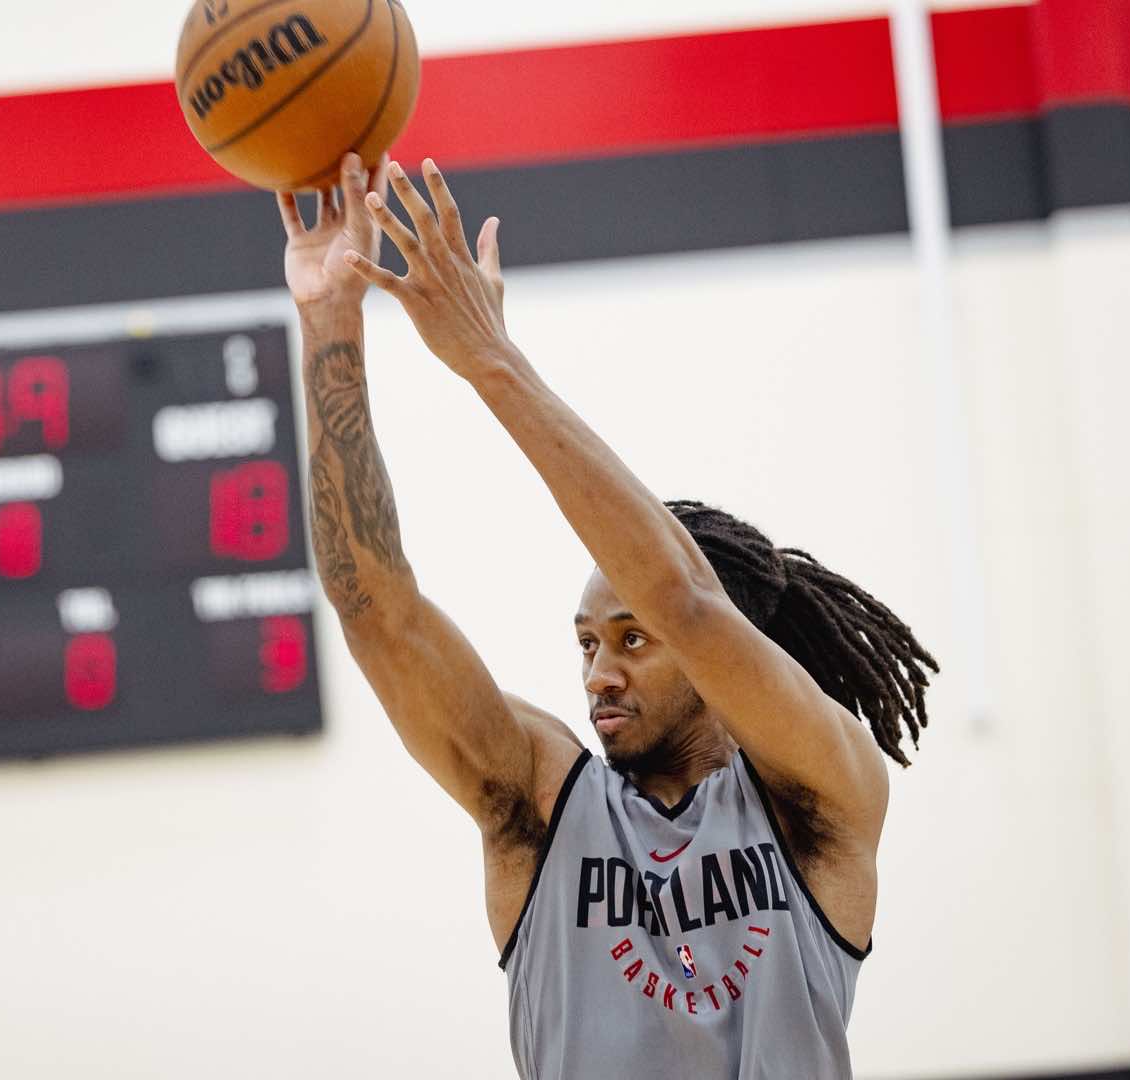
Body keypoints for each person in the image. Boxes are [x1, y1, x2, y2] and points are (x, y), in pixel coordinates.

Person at [277, 152, 938, 1079]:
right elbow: (373, 609)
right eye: (587, 643)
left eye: (630, 640)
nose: (598, 673)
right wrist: (329, 326)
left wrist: (493, 362)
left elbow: (691, 605)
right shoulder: (542, 805)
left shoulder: (821, 795)